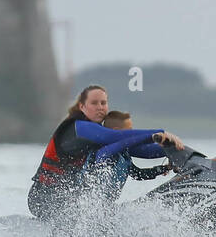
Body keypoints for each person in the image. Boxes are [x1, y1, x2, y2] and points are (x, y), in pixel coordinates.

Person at [27, 84, 183, 221]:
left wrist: (174, 150)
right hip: (44, 198)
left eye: (103, 103)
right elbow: (115, 137)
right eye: (94, 103)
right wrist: (157, 134)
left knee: (99, 213)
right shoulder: (78, 127)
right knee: (93, 214)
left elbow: (140, 150)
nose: (100, 107)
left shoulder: (99, 135)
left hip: (70, 199)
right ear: (82, 107)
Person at [83, 110, 176, 203]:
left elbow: (138, 174)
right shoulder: (102, 151)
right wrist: (152, 137)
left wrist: (165, 168)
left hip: (106, 207)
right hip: (87, 207)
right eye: (129, 131)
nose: (133, 133)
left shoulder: (123, 154)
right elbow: (123, 144)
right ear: (116, 131)